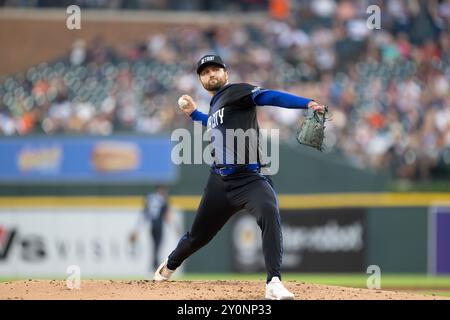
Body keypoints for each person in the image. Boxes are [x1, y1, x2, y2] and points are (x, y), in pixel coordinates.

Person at [154, 55, 326, 300]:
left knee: (268, 211)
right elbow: (213, 124)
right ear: (201, 80)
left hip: (249, 179)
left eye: (215, 69)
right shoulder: (216, 105)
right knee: (197, 236)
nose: (210, 74)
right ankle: (167, 267)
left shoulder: (237, 91)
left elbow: (269, 96)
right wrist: (194, 114)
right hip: (219, 181)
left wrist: (306, 103)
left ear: (226, 73)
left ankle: (274, 282)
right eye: (205, 72)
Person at [129, 185, 170, 271]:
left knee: (155, 246)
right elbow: (167, 217)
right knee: (157, 246)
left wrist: (137, 228)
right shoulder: (163, 199)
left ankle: (154, 265)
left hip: (152, 226)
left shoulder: (150, 198)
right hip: (159, 226)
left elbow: (145, 213)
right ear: (160, 189)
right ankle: (155, 266)